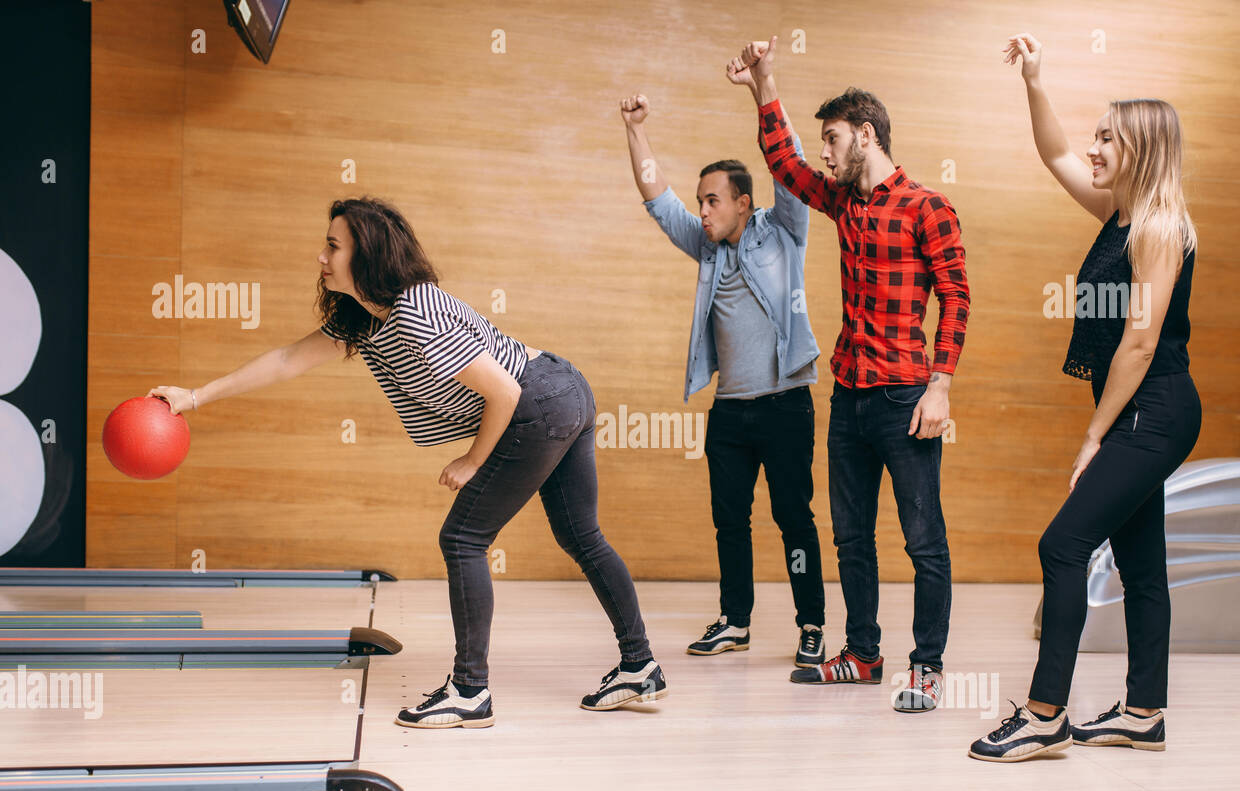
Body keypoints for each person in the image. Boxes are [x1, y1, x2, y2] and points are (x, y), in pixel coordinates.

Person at [149, 197, 666, 728]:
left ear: (365, 253)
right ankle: (639, 665)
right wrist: (194, 396)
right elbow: (285, 360)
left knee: (463, 538)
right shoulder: (366, 320)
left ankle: (469, 690)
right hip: (564, 389)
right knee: (582, 536)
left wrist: (471, 460)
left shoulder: (414, 314)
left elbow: (504, 392)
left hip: (537, 402)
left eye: (333, 245)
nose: (321, 256)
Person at [969, 35, 1202, 761]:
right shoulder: (1119, 210)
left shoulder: (1160, 227)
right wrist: (1035, 81)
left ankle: (1045, 713)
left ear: (1142, 150)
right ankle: (1144, 711)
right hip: (1139, 406)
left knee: (1062, 542)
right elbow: (1054, 153)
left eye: (1108, 138)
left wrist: (1095, 434)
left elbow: (1139, 342)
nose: (1094, 148)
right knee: (1142, 565)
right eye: (1097, 134)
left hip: (1153, 409)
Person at [730, 38, 971, 711]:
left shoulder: (928, 206)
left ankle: (927, 665)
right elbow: (783, 161)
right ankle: (863, 653)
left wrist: (941, 384)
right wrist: (763, 81)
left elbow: (957, 296)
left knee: (924, 539)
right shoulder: (845, 205)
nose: (826, 153)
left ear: (866, 135)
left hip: (907, 398)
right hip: (850, 397)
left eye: (833, 139)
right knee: (850, 534)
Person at [620, 88, 827, 668]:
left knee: (793, 520)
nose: (702, 211)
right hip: (732, 413)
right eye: (700, 202)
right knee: (730, 521)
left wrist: (765, 86)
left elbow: (789, 164)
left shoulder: (785, 230)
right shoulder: (708, 250)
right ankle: (736, 620)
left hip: (786, 405)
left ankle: (811, 623)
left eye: (712, 201)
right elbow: (658, 199)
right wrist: (635, 129)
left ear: (743, 203)